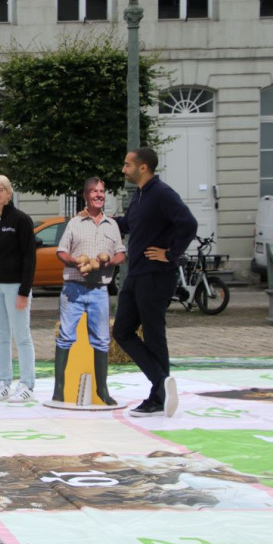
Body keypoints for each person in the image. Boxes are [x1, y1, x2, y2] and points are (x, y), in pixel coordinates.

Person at [113, 147, 198, 418]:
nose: (124, 169)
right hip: (136, 274)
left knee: (153, 335)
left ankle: (158, 395)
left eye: (128, 165)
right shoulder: (138, 196)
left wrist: (170, 254)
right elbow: (129, 224)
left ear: (143, 167)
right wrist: (100, 219)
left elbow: (189, 223)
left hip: (156, 276)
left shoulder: (162, 193)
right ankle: (162, 382)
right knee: (122, 331)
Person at [53, 177, 126, 405]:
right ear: (85, 195)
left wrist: (107, 262)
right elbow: (61, 252)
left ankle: (102, 391)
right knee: (65, 337)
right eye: (94, 191)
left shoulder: (111, 225)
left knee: (102, 341)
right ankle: (59, 390)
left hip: (99, 290)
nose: (99, 195)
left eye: (102, 191)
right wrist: (75, 263)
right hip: (73, 289)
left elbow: (121, 254)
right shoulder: (75, 223)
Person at [0, 174, 37, 403]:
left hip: (15, 287)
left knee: (22, 336)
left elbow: (29, 258)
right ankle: (3, 382)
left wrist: (24, 290)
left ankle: (27, 384)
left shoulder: (21, 220)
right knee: (1, 337)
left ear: (8, 192)